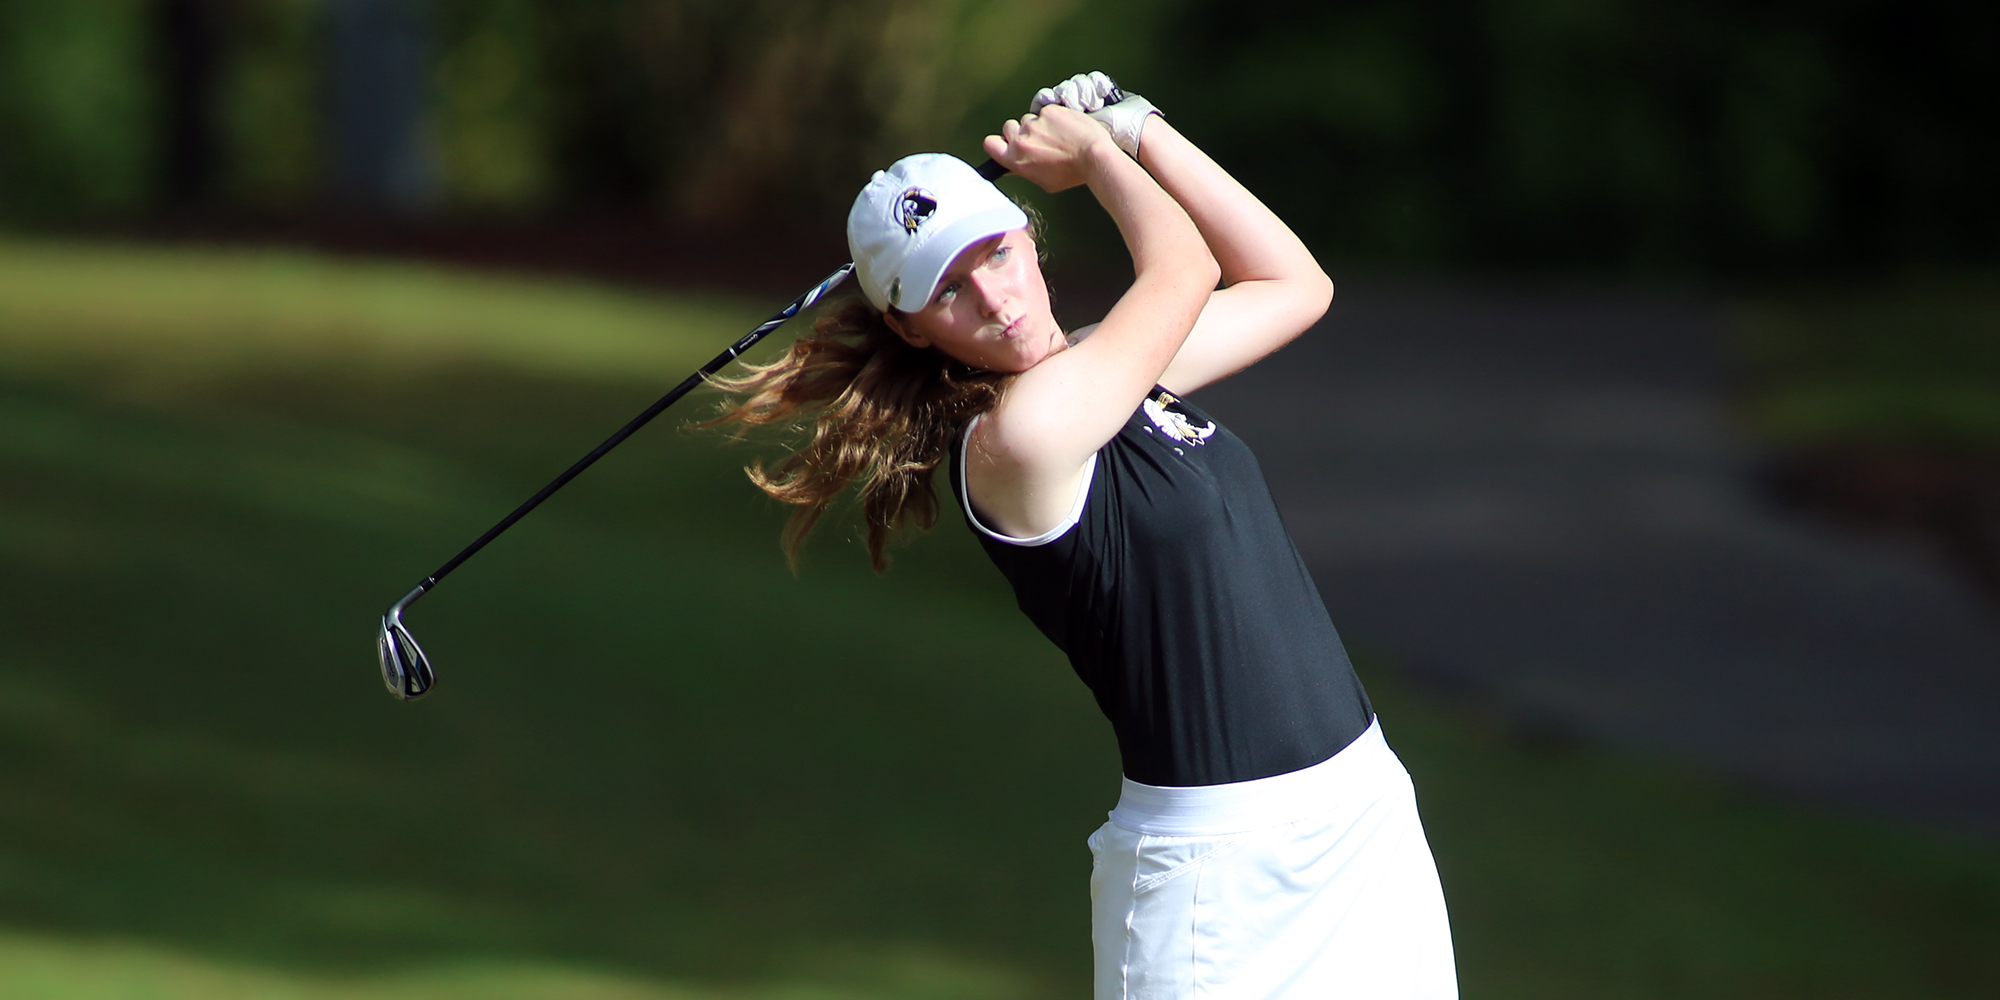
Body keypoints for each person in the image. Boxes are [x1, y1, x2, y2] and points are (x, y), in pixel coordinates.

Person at [712, 72, 1457, 1000]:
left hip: (1361, 817)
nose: (991, 293)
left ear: (1027, 233)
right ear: (910, 328)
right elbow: (1182, 271)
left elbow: (1293, 283)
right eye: (946, 287)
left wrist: (1142, 126)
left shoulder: (1114, 371)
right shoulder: (1015, 442)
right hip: (1217, 890)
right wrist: (1099, 154)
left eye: (992, 249)